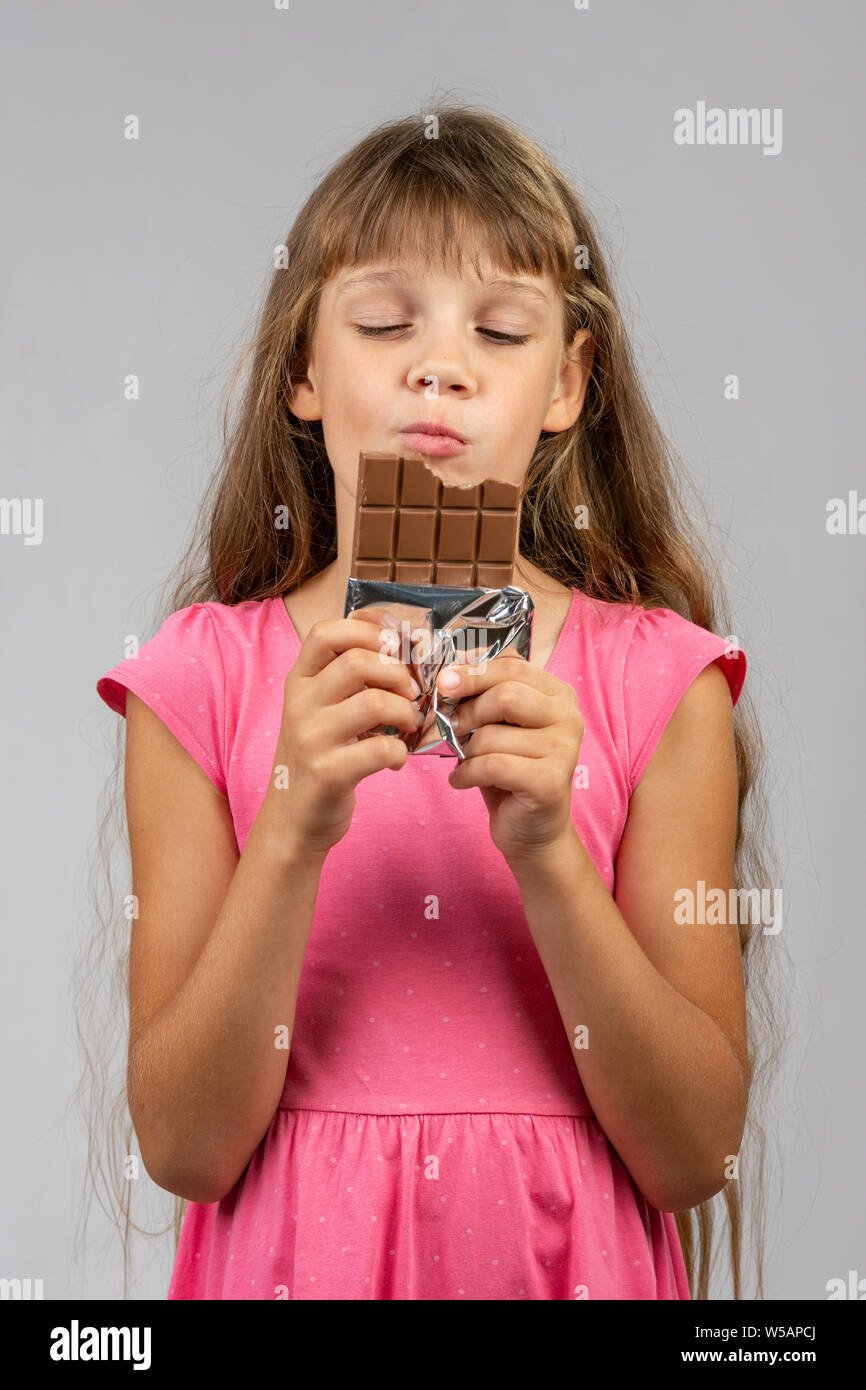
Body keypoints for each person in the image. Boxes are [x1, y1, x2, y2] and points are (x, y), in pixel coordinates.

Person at [87, 105, 785, 1300]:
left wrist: (551, 852)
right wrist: (292, 824)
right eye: (382, 319)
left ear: (567, 383)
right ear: (303, 369)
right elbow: (186, 1149)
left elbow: (689, 1154)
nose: (439, 364)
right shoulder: (199, 679)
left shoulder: (659, 683)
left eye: (501, 331)